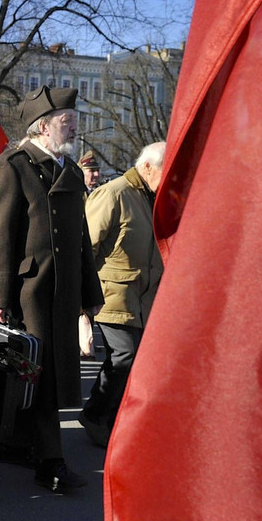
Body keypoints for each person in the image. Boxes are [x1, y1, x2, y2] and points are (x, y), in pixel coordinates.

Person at [0, 85, 104, 491]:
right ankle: (51, 462)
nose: (73, 126)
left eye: (73, 119)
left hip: (63, 290)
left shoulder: (67, 169)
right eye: (65, 121)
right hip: (28, 291)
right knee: (41, 376)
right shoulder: (12, 166)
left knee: (45, 375)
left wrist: (89, 295)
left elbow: (81, 238)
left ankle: (13, 444)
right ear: (41, 127)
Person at [78, 142, 165, 447]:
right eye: (166, 171)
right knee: (124, 357)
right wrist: (82, 305)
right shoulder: (114, 194)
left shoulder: (151, 197)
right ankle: (93, 415)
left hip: (142, 297)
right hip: (111, 295)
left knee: (134, 360)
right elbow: (85, 247)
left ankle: (113, 418)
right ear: (148, 167)